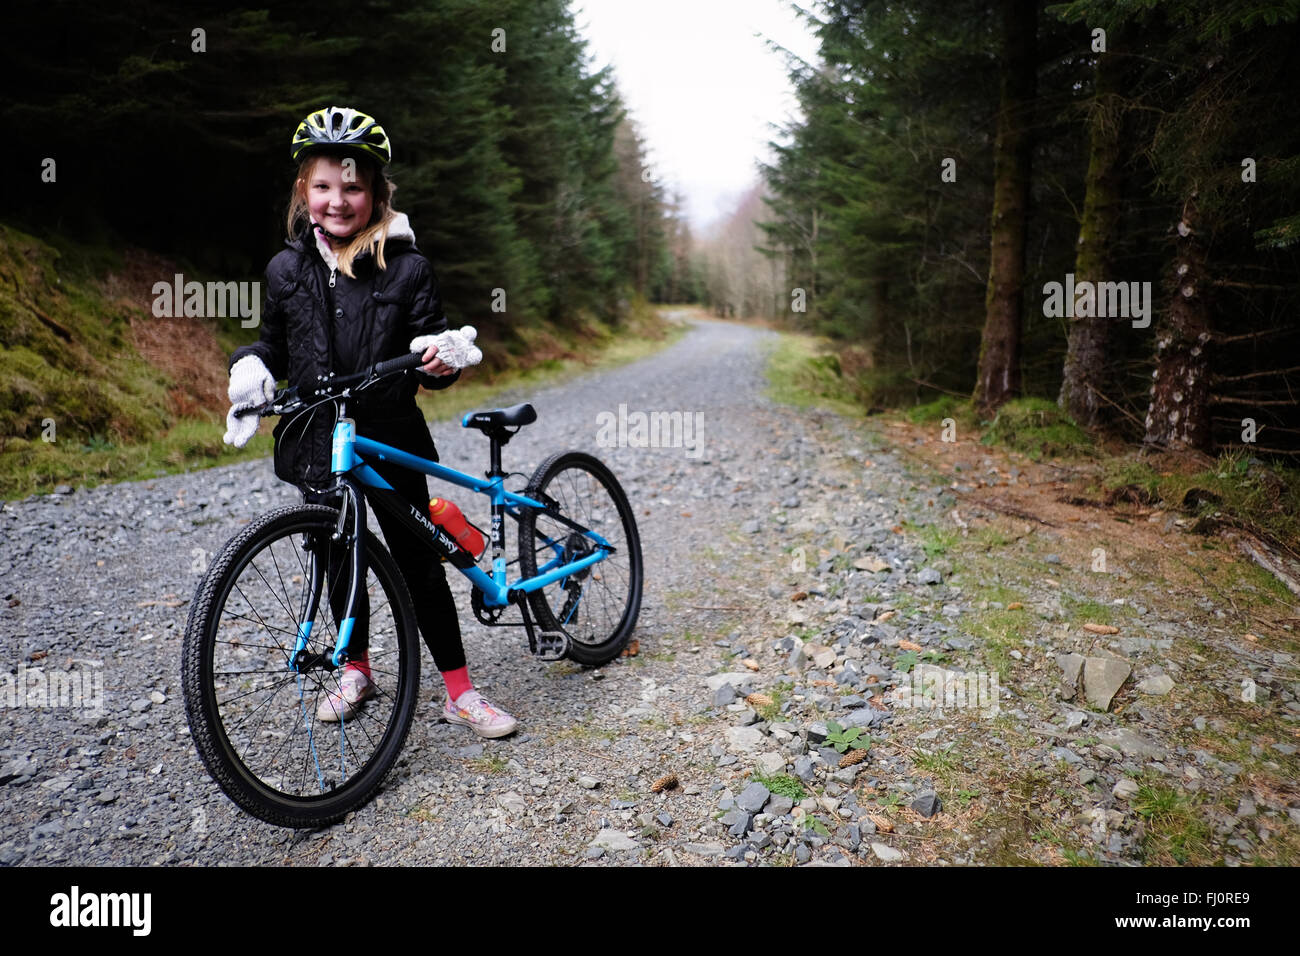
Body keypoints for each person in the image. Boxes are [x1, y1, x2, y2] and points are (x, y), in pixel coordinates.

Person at [222, 106, 517, 738]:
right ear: (304, 190)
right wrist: (250, 365)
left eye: (352, 187)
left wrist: (442, 357)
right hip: (318, 435)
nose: (338, 200)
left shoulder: (407, 267)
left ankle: (460, 690)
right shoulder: (285, 270)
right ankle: (355, 668)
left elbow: (430, 341)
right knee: (334, 552)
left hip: (389, 432)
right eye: (324, 186)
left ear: (377, 193)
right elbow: (274, 343)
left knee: (417, 559)